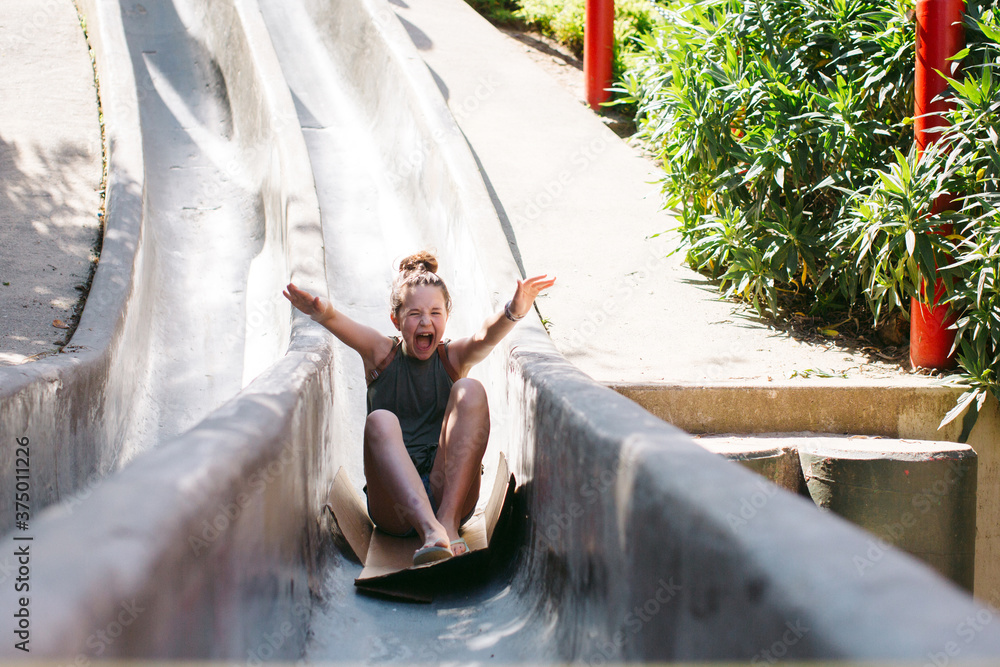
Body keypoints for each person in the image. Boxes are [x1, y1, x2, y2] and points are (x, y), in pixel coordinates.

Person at [283, 252, 555, 565]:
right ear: (395, 319)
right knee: (380, 420)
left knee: (470, 388)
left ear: (446, 317)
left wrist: (514, 310)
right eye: (414, 314)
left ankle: (447, 524)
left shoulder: (451, 357)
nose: (426, 321)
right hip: (395, 507)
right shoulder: (380, 354)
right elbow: (337, 321)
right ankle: (430, 530)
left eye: (435, 312)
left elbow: (484, 336)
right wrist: (320, 312)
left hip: (449, 492)